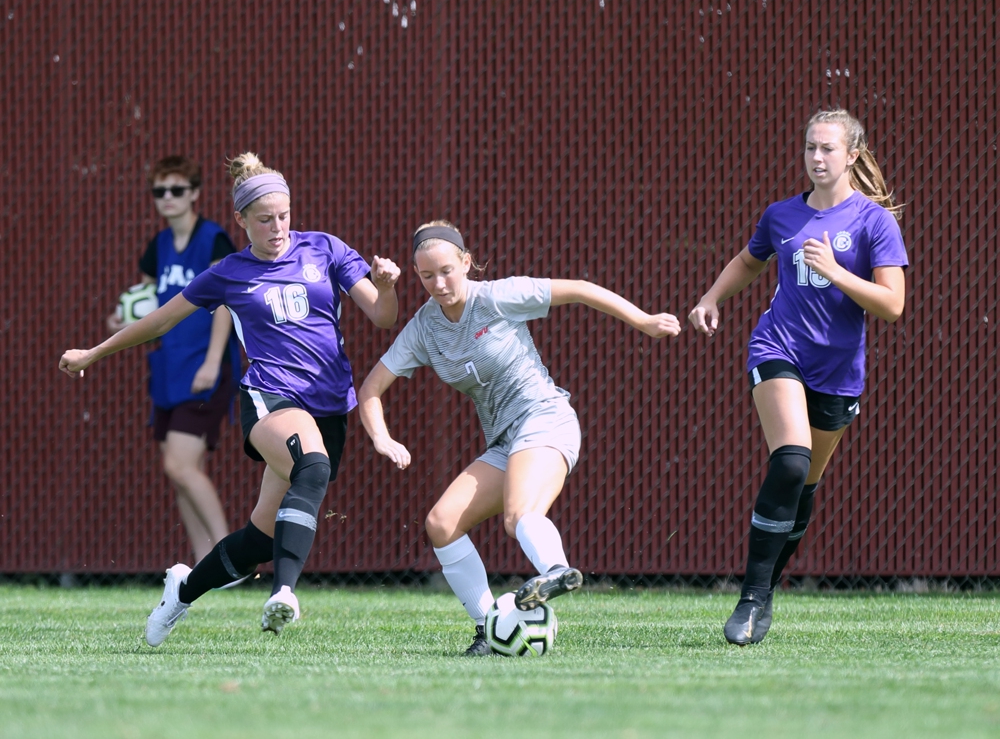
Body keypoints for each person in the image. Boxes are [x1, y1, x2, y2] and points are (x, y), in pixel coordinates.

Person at [60, 152, 401, 645]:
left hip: (329, 407)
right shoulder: (229, 272)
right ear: (241, 220)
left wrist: (387, 287)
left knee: (258, 540)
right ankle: (283, 594)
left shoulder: (325, 249)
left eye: (284, 216)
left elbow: (383, 317)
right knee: (313, 467)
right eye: (264, 220)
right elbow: (161, 319)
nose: (278, 227)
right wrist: (95, 352)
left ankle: (182, 590)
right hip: (271, 398)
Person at [357, 221, 682, 655]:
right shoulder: (424, 328)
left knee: (518, 515)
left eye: (448, 270)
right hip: (504, 442)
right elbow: (370, 391)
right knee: (441, 525)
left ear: (467, 263)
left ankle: (556, 570)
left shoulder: (496, 296)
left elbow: (582, 288)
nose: (439, 283)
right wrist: (382, 438)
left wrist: (643, 320)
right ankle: (490, 627)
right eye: (427, 275)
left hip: (545, 419)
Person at [688, 109, 908, 645]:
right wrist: (712, 297)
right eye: (810, 147)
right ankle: (750, 597)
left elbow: (893, 306)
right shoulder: (782, 215)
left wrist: (835, 272)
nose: (816, 158)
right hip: (777, 347)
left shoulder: (874, 222)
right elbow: (749, 260)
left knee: (804, 487)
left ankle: (766, 588)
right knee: (790, 462)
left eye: (828, 149)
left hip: (837, 373)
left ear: (852, 155)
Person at [106, 155, 242, 564]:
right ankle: (205, 564)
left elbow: (224, 303)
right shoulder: (159, 245)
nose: (168, 198)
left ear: (195, 194)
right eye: (159, 191)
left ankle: (229, 558)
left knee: (178, 466)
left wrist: (213, 362)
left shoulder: (214, 239)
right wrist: (121, 320)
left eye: (177, 190)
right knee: (185, 473)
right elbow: (145, 301)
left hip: (205, 368)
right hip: (170, 370)